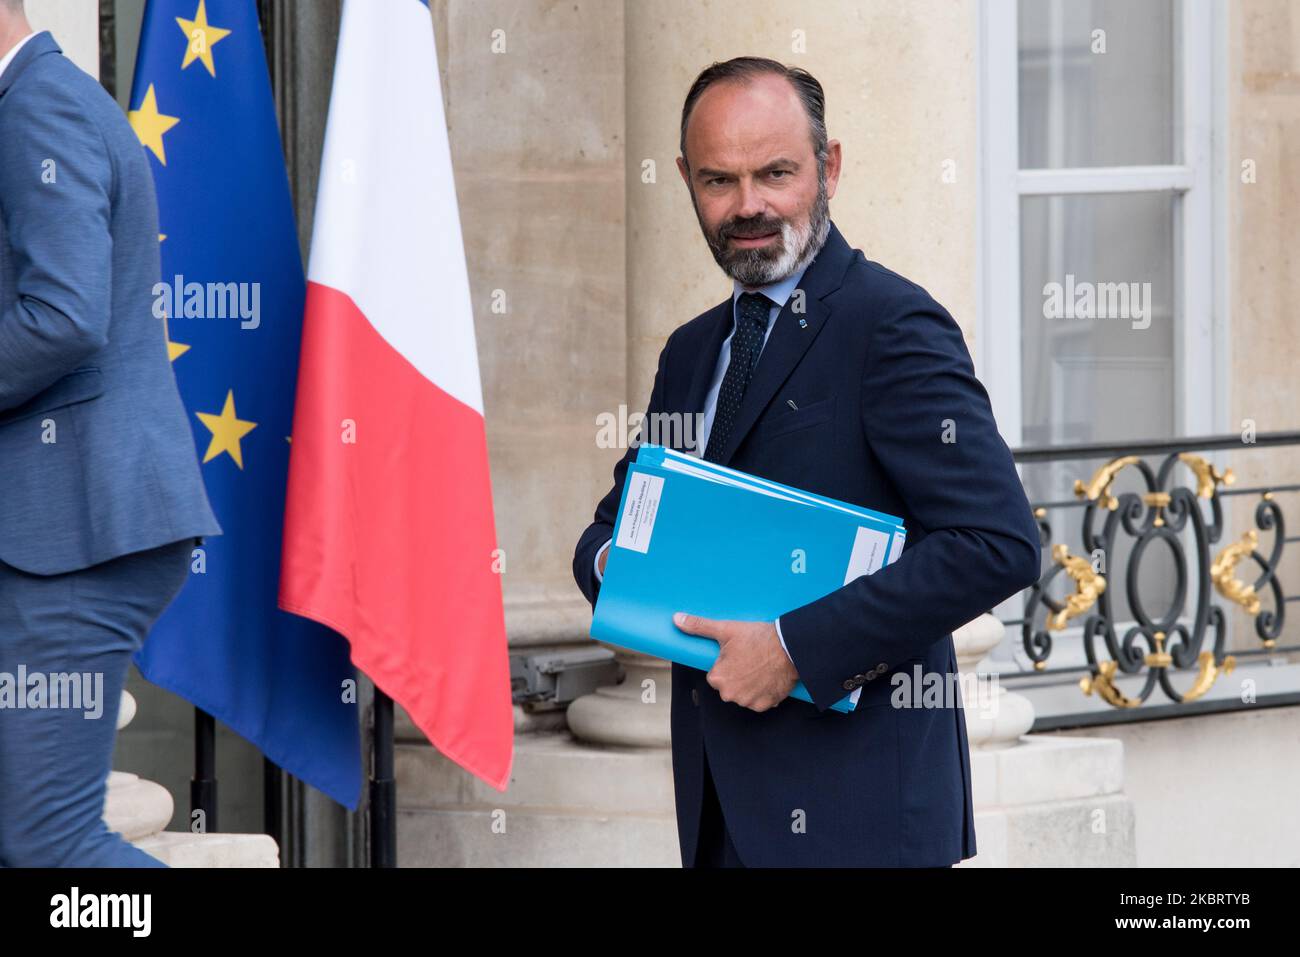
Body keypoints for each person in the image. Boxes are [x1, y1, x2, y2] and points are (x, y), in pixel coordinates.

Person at [572, 57, 1041, 867]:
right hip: (721, 816)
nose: (748, 205)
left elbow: (997, 542)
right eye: (719, 179)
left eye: (775, 173)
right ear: (686, 179)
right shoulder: (691, 352)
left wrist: (795, 647)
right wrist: (624, 562)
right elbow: (613, 528)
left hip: (859, 824)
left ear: (828, 168)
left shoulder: (892, 324)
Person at [0, 1, 220, 866]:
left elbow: (61, 317)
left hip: (75, 534)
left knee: (47, 844)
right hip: (65, 526)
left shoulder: (37, 104)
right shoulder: (37, 101)